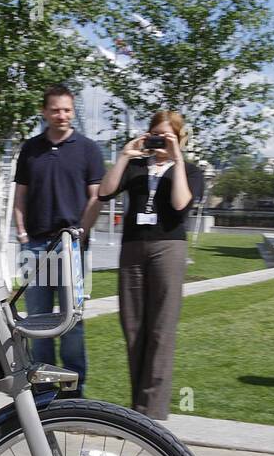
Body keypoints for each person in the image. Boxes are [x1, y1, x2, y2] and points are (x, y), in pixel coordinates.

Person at [97, 110, 203, 419]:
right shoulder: (136, 166)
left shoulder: (191, 170)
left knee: (161, 329)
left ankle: (153, 410)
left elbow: (181, 204)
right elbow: (105, 192)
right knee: (133, 327)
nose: (159, 141)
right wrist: (124, 155)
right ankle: (138, 406)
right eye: (155, 133)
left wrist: (177, 159)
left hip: (168, 247)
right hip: (133, 247)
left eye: (166, 135)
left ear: (180, 137)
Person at [13, 85, 104, 397]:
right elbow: (20, 196)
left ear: (73, 110)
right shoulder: (30, 149)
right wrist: (22, 234)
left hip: (71, 247)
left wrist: (82, 233)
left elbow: (96, 198)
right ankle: (45, 387)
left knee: (72, 324)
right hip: (35, 246)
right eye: (55, 109)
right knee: (38, 322)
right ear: (45, 111)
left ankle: (74, 391)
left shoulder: (89, 149)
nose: (61, 115)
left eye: (66, 109)